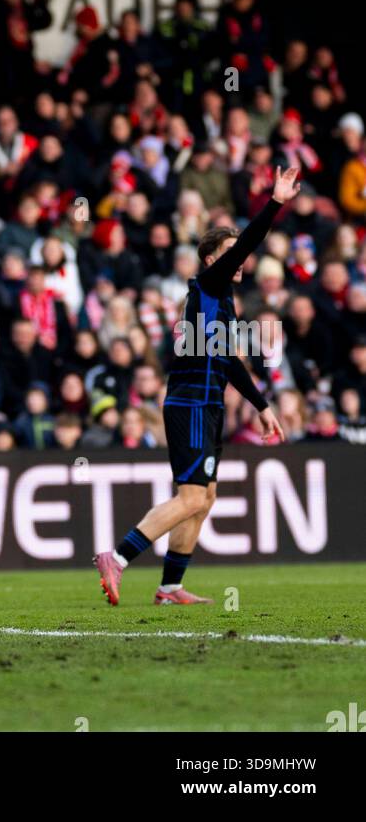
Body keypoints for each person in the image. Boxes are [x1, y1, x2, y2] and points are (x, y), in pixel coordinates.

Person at [94, 166, 298, 607]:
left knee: (204, 496)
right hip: (189, 404)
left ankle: (169, 588)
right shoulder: (207, 286)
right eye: (230, 253)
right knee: (190, 496)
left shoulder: (221, 305)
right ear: (213, 260)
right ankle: (117, 556)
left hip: (207, 405)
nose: (240, 260)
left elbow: (230, 363)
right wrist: (275, 203)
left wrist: (262, 406)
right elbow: (248, 242)